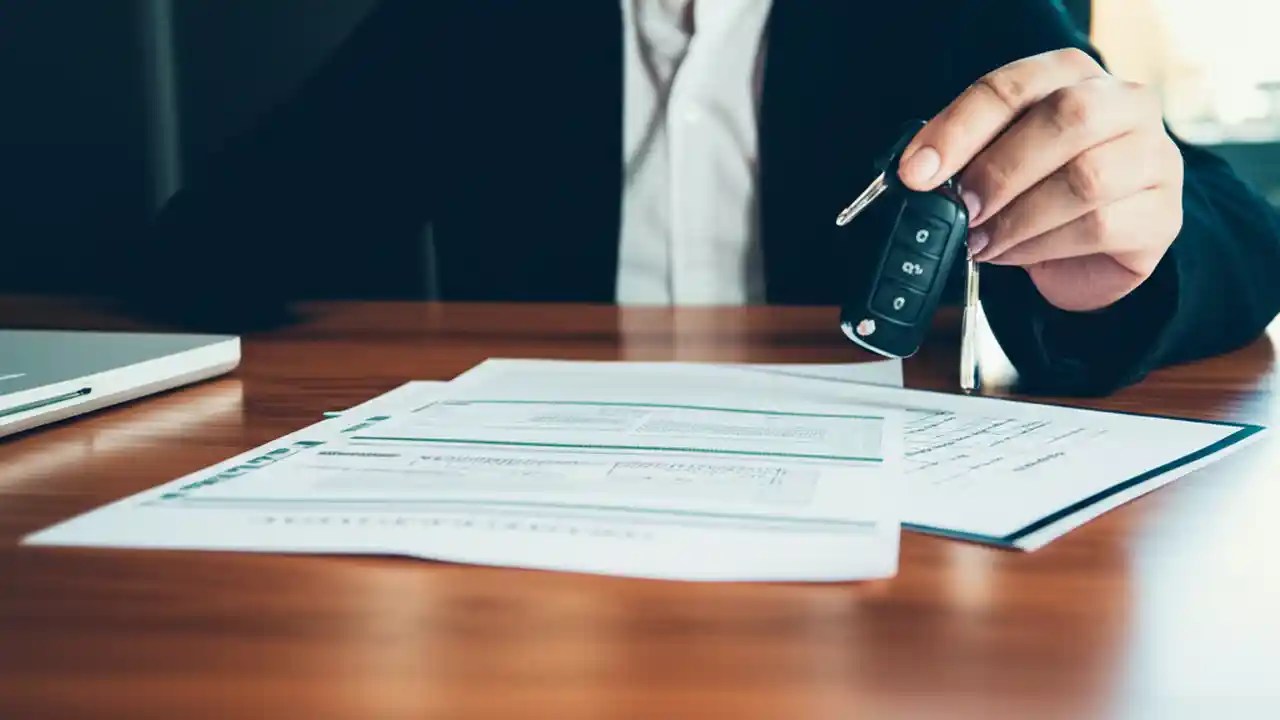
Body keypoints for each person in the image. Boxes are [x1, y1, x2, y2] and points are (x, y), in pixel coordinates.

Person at [127, 1, 1280, 396]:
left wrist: (1125, 261)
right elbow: (210, 244)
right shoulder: (472, 17)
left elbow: (1240, 238)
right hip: (533, 547)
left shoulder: (942, 2)